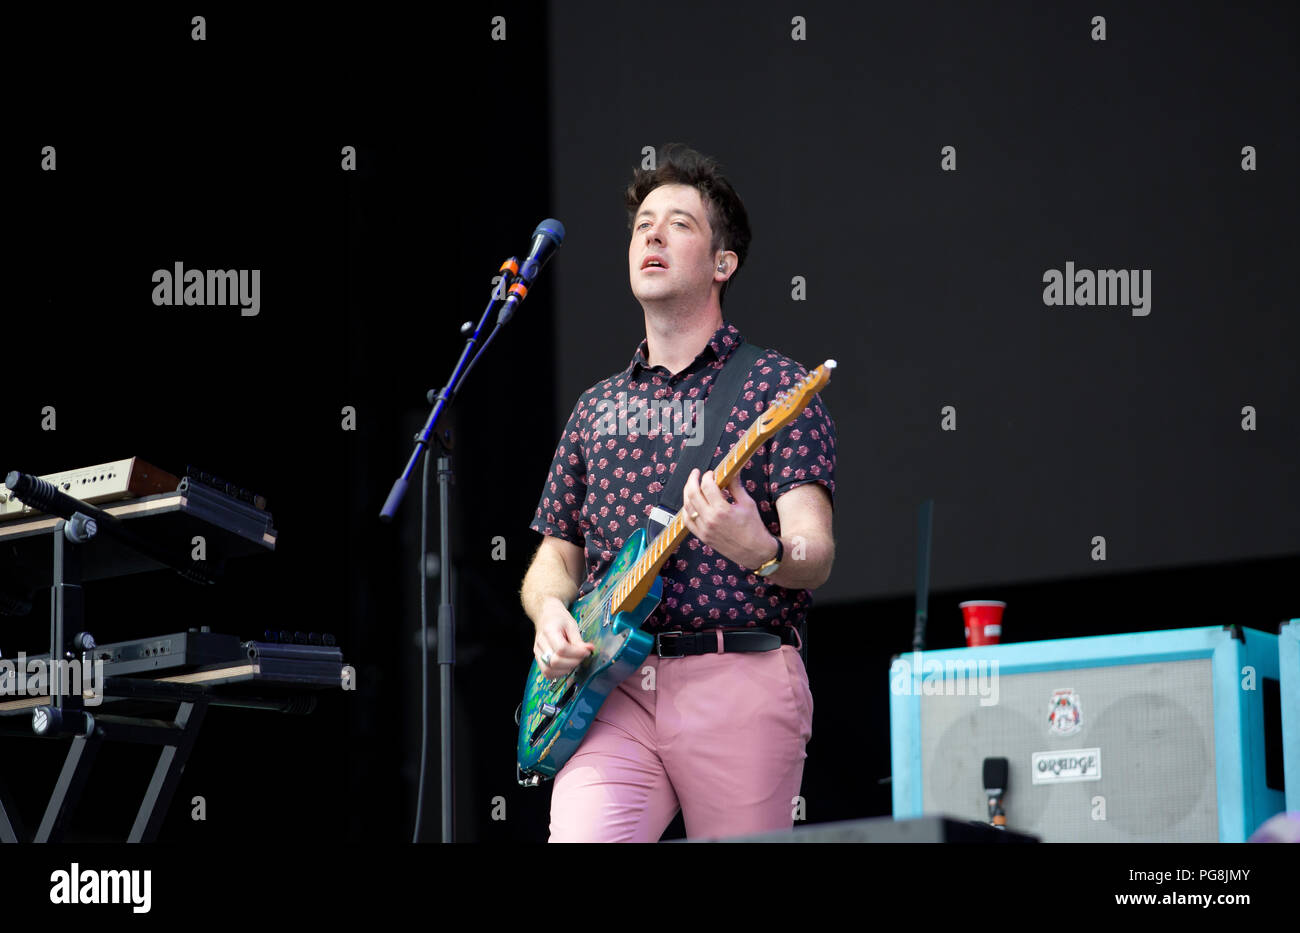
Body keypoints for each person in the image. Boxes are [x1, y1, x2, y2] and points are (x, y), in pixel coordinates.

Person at [520, 143, 836, 842]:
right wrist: (548, 614)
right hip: (613, 691)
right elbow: (554, 557)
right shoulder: (595, 408)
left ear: (724, 264)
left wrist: (760, 549)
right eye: (643, 225)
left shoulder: (775, 388)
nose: (653, 235)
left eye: (679, 224)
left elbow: (815, 552)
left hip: (739, 675)